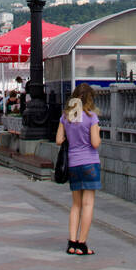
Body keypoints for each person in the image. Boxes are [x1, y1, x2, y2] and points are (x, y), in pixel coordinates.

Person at [55, 82, 101, 255]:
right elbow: (95, 143)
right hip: (90, 163)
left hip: (73, 163)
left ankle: (72, 243)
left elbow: (59, 140)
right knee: (88, 204)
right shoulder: (92, 118)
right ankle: (82, 244)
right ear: (90, 99)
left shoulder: (65, 117)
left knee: (76, 205)